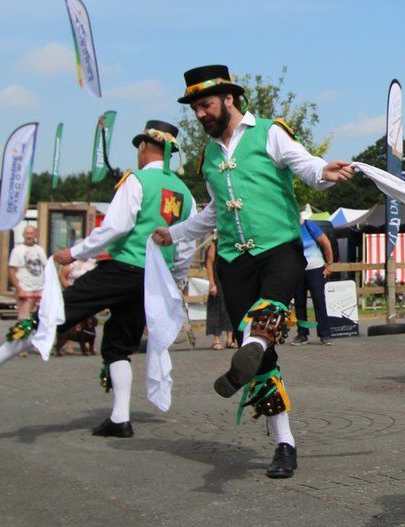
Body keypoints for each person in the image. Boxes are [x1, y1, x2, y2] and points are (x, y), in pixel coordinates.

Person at [152, 64, 354, 479]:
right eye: (194, 109)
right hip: (232, 261)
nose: (201, 114)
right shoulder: (208, 155)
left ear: (229, 98)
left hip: (280, 247)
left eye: (205, 105)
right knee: (265, 362)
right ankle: (284, 442)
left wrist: (325, 173)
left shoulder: (269, 133)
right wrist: (174, 233)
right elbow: (211, 212)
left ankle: (253, 348)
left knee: (270, 308)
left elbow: (306, 166)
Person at [0, 120, 195, 438]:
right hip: (152, 279)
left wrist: (74, 253)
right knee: (118, 344)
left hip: (122, 267)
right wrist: (176, 279)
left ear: (145, 147)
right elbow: (185, 243)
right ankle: (120, 419)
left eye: (139, 148)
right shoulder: (185, 193)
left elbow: (115, 227)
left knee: (53, 312)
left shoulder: (137, 181)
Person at [290, 217, 334, 346]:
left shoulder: (308, 225)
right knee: (299, 302)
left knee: (319, 300)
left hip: (315, 268)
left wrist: (329, 264)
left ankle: (325, 334)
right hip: (298, 270)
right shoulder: (288, 229)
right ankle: (302, 334)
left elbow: (325, 242)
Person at [8, 225, 45, 320]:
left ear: (35, 235)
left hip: (39, 290)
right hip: (25, 290)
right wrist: (19, 289)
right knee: (24, 320)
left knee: (39, 320)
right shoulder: (17, 250)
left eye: (31, 233)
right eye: (27, 233)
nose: (29, 236)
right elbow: (11, 271)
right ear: (23, 235)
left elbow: (45, 268)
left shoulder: (40, 249)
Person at [205, 234, 235, 350]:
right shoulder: (216, 242)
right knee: (216, 308)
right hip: (218, 278)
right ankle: (216, 340)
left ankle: (230, 339)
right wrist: (212, 283)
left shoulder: (234, 243)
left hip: (231, 278)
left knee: (231, 308)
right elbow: (209, 262)